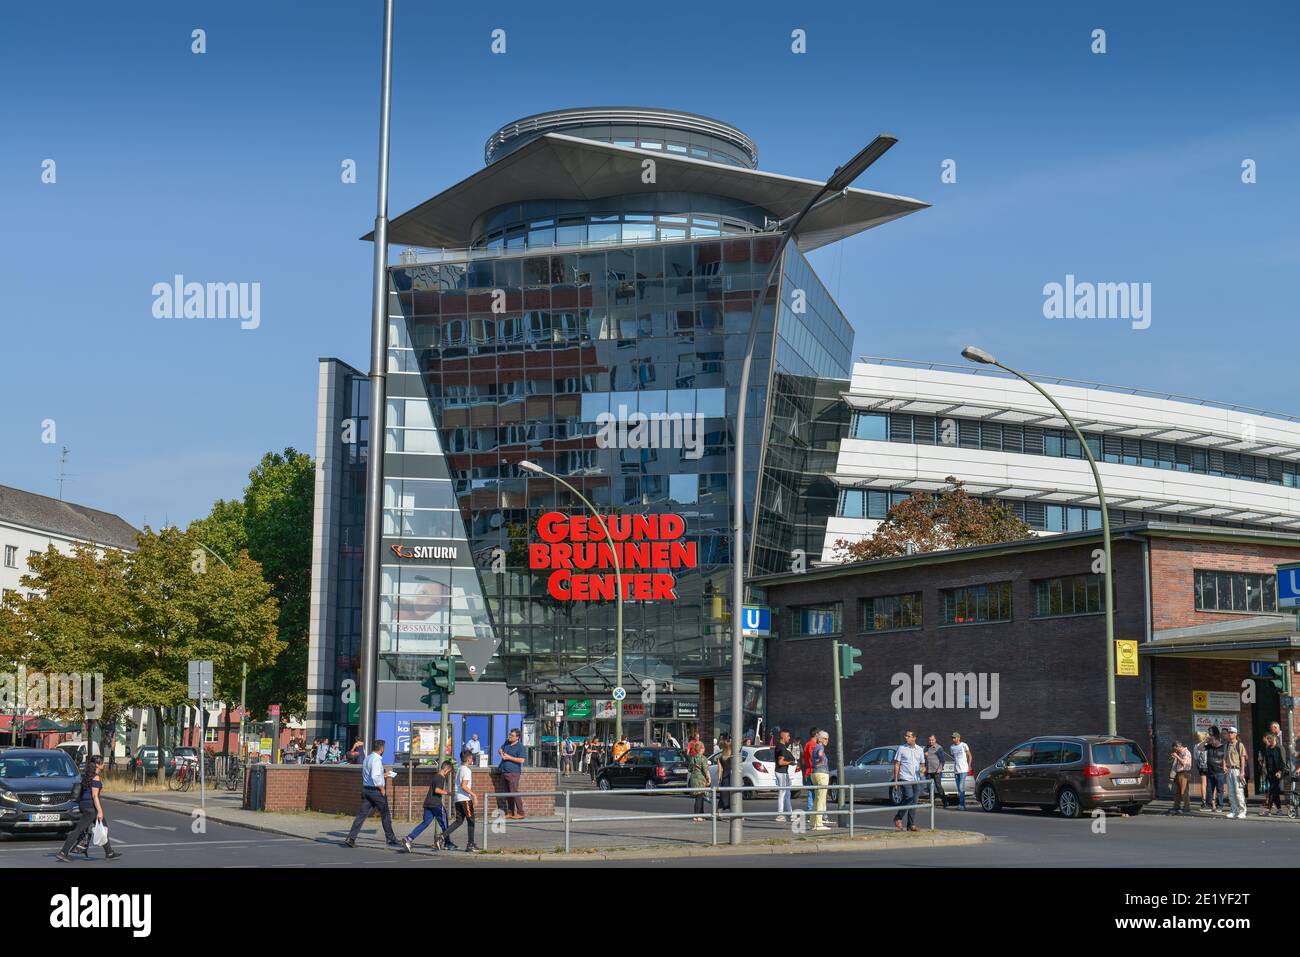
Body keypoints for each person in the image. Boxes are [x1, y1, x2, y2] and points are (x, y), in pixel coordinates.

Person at [57, 755, 120, 863]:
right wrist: (100, 811)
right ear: (97, 765)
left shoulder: (87, 776)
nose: (104, 764)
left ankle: (109, 852)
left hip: (84, 805)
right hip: (91, 807)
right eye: (102, 763)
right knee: (79, 829)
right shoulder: (95, 777)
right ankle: (63, 852)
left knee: (103, 826)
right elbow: (95, 796)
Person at [343, 739, 400, 848]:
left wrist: (384, 775)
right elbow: (374, 776)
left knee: (361, 815)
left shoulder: (367, 758)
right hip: (375, 791)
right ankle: (391, 838)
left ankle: (351, 838)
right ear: (382, 748)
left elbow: (370, 775)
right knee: (385, 814)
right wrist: (382, 788)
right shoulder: (376, 760)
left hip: (366, 790)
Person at [403, 759, 453, 852]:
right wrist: (448, 793)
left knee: (425, 823)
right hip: (436, 804)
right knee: (445, 823)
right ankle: (447, 842)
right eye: (449, 772)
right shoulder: (441, 778)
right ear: (446, 769)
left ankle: (409, 838)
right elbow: (437, 790)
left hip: (428, 804)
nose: (448, 774)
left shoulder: (435, 776)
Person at [443, 749, 478, 852]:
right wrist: (473, 795)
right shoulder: (467, 770)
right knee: (471, 820)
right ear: (468, 759)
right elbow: (463, 785)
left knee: (459, 821)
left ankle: (441, 836)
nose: (472, 760)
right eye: (471, 758)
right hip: (465, 799)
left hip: (457, 799)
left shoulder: (459, 769)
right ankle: (470, 844)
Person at [892, 730, 925, 832]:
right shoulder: (902, 748)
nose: (906, 738)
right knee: (909, 797)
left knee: (914, 802)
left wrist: (922, 769)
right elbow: (897, 764)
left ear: (914, 738)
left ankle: (911, 825)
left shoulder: (920, 749)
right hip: (904, 777)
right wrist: (896, 781)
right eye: (906, 736)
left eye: (908, 736)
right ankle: (898, 817)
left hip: (916, 779)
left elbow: (922, 765)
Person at [497, 728, 527, 819]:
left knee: (514, 792)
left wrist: (509, 757)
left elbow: (522, 760)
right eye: (510, 735)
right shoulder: (507, 742)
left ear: (517, 737)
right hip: (504, 771)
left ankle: (521, 813)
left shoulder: (520, 747)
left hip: (513, 773)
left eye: (512, 735)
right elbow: (500, 749)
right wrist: (501, 754)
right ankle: (510, 812)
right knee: (508, 793)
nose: (510, 736)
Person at [1222, 726, 1249, 819]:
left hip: (1237, 770)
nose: (1230, 734)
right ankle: (1233, 810)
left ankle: (1242, 811)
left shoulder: (1239, 744)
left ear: (1236, 734)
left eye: (1232, 733)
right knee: (1231, 792)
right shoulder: (1226, 744)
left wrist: (1242, 772)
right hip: (1229, 770)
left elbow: (1243, 759)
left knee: (1239, 791)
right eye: (1229, 733)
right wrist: (1224, 765)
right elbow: (1224, 757)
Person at [808, 731, 832, 830]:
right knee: (821, 799)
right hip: (821, 774)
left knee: (817, 799)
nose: (827, 740)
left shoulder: (815, 747)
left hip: (814, 773)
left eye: (828, 738)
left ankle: (813, 823)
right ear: (821, 739)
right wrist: (821, 760)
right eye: (825, 738)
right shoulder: (820, 747)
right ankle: (818, 824)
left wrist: (817, 763)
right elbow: (820, 754)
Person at [774, 728, 796, 822]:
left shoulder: (780, 746)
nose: (789, 738)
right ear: (783, 736)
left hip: (783, 772)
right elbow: (780, 762)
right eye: (788, 736)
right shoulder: (781, 748)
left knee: (787, 794)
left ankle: (790, 814)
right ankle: (780, 815)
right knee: (783, 793)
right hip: (781, 772)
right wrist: (790, 762)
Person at [1261, 732, 1285, 816]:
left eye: (1270, 738)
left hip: (1278, 773)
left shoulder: (1279, 748)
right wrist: (1266, 773)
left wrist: (1280, 771)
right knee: (1275, 792)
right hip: (1270, 774)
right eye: (1267, 738)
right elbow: (1266, 762)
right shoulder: (1268, 749)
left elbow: (1283, 761)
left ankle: (1268, 810)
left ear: (1274, 738)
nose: (1268, 740)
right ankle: (1279, 810)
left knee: (1272, 790)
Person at [924, 734, 950, 809]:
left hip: (936, 771)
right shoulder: (926, 748)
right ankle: (932, 803)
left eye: (932, 740)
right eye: (929, 740)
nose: (931, 741)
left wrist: (940, 768)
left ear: (935, 740)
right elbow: (924, 758)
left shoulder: (939, 748)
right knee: (929, 787)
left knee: (939, 787)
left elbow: (942, 760)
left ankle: (945, 802)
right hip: (928, 771)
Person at [687, 741, 710, 822]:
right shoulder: (703, 758)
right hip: (701, 780)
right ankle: (697, 815)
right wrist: (709, 778)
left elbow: (689, 769)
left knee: (699, 797)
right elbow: (706, 769)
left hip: (694, 779)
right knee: (699, 798)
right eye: (703, 748)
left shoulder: (693, 758)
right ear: (701, 749)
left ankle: (701, 814)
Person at [1204, 727, 1226, 811]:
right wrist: (1205, 741)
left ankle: (1220, 806)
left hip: (1219, 772)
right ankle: (1208, 806)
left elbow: (1225, 758)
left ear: (1217, 740)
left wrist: (1225, 766)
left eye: (1212, 740)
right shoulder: (1209, 746)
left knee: (1220, 790)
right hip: (1210, 772)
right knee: (1209, 790)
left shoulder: (1223, 747)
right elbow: (1200, 748)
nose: (1211, 742)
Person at [949, 732, 972, 809]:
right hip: (956, 770)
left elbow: (970, 755)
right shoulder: (952, 747)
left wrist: (969, 766)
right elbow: (954, 757)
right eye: (952, 738)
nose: (953, 739)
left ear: (958, 738)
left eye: (954, 738)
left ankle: (962, 805)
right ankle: (962, 804)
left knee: (961, 786)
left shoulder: (964, 745)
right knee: (959, 788)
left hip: (964, 769)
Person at [1170, 741, 1192, 814]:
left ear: (1178, 746)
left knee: (1184, 791)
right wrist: (1174, 757)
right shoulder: (1179, 752)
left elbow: (1184, 763)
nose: (1175, 750)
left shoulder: (1186, 752)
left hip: (1184, 773)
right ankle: (1176, 807)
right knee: (1177, 792)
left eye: (1175, 748)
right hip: (1178, 773)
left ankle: (1186, 808)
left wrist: (1177, 756)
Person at [801, 727, 819, 814]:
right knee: (816, 794)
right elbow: (814, 758)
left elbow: (804, 759)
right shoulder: (813, 745)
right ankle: (813, 814)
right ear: (816, 734)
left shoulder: (807, 744)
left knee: (811, 793)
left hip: (808, 770)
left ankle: (811, 813)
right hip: (814, 771)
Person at [714, 733, 733, 812]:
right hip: (732, 777)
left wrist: (719, 779)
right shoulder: (733, 757)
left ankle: (718, 811)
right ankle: (737, 813)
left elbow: (720, 769)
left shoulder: (721, 758)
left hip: (725, 777)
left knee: (724, 795)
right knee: (733, 795)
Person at [1192, 732, 1209, 807]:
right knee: (1211, 783)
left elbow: (1195, 757)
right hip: (1210, 766)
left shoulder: (1196, 746)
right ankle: (1212, 800)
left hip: (1201, 766)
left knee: (1203, 784)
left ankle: (1204, 800)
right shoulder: (1209, 745)